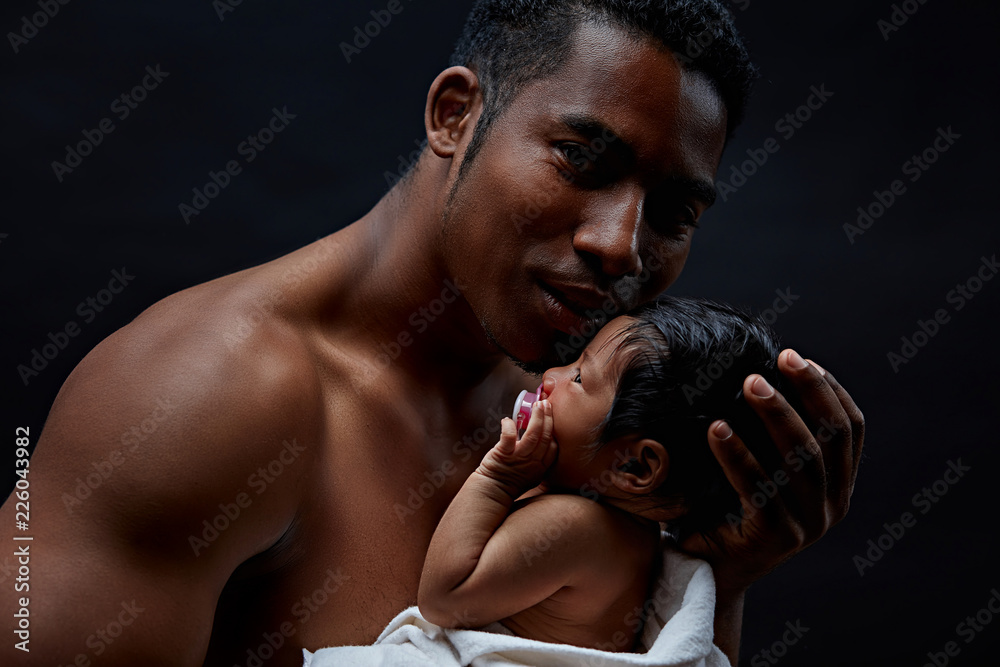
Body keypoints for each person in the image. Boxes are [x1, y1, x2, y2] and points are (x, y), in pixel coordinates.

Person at [1, 1, 864, 665]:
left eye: (674, 212)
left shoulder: (600, 416)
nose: (620, 244)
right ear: (455, 116)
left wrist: (722, 576)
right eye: (581, 157)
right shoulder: (202, 394)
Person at [418, 297, 789, 651]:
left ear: (635, 467)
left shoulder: (577, 524)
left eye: (579, 378)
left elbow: (445, 597)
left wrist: (496, 480)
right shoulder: (637, 535)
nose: (551, 375)